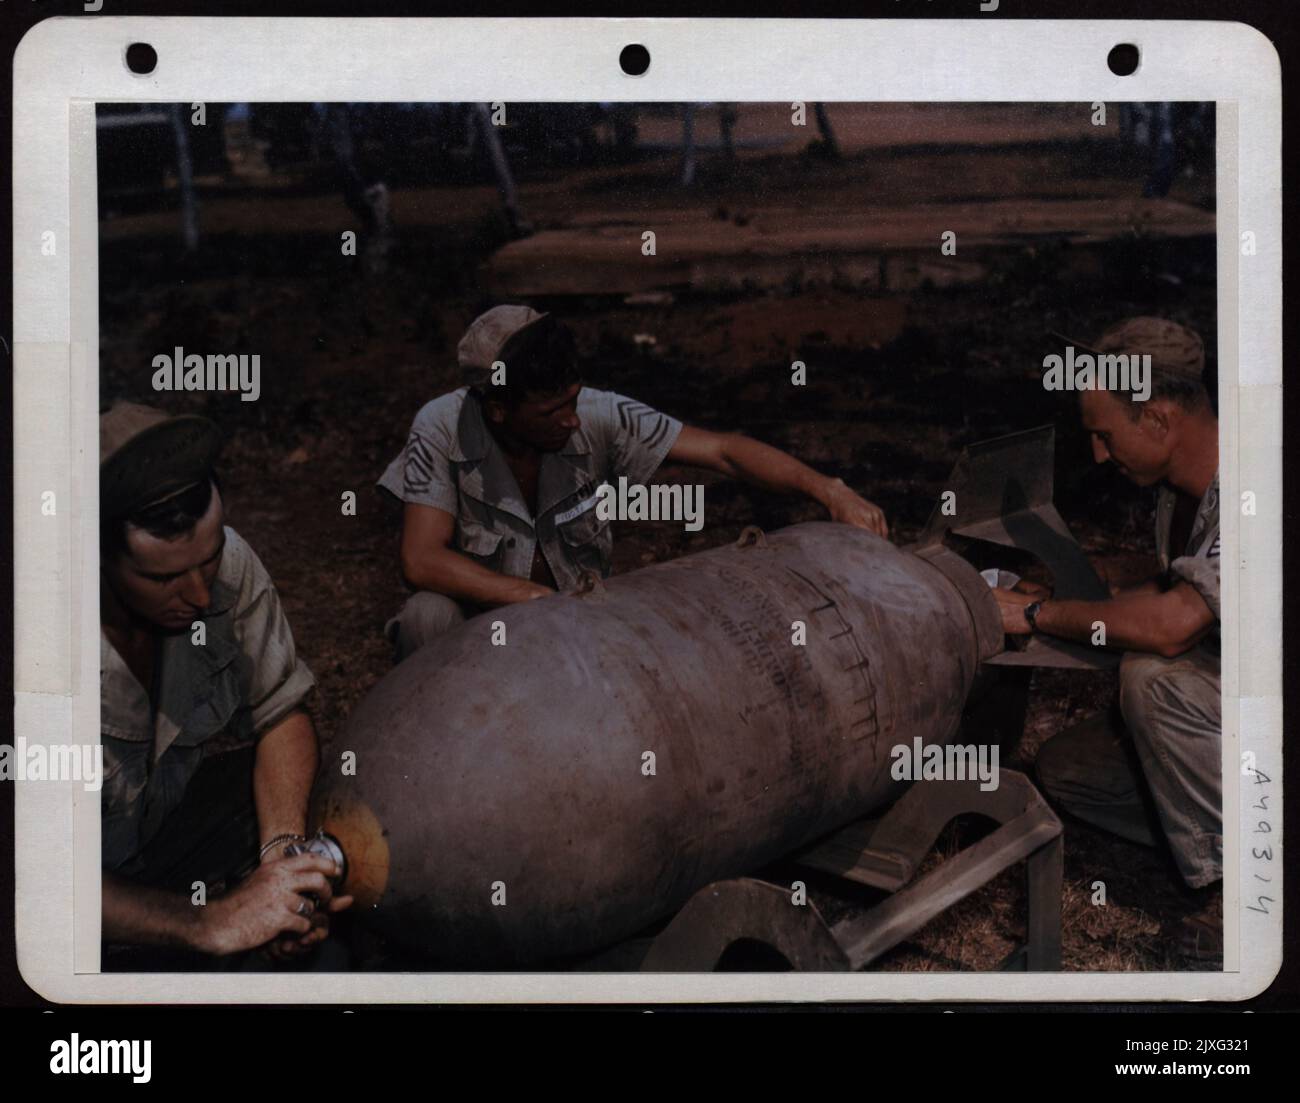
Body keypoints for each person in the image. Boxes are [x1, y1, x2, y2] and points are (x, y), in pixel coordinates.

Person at [379, 304, 890, 660]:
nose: (571, 421)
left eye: (572, 401)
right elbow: (420, 558)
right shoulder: (442, 425)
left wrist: (829, 489)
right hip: (485, 629)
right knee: (427, 617)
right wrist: (531, 599)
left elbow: (725, 450)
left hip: (584, 623)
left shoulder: (598, 413)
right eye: (550, 411)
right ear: (497, 410)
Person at [992, 317, 1222, 958]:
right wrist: (1064, 604)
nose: (1097, 454)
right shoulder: (1182, 494)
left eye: (1103, 435)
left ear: (1157, 421)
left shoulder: (1253, 486)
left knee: (1152, 680)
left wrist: (1037, 616)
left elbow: (1174, 628)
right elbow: (1167, 595)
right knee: (1070, 773)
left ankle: (1243, 885)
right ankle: (1212, 829)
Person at [98, 402, 352, 969]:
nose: (198, 595)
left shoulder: (227, 565)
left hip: (158, 840)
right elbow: (35, 872)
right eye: (163, 577)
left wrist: (283, 867)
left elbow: (280, 712)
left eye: (207, 562)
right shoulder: (34, 642)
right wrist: (210, 922)